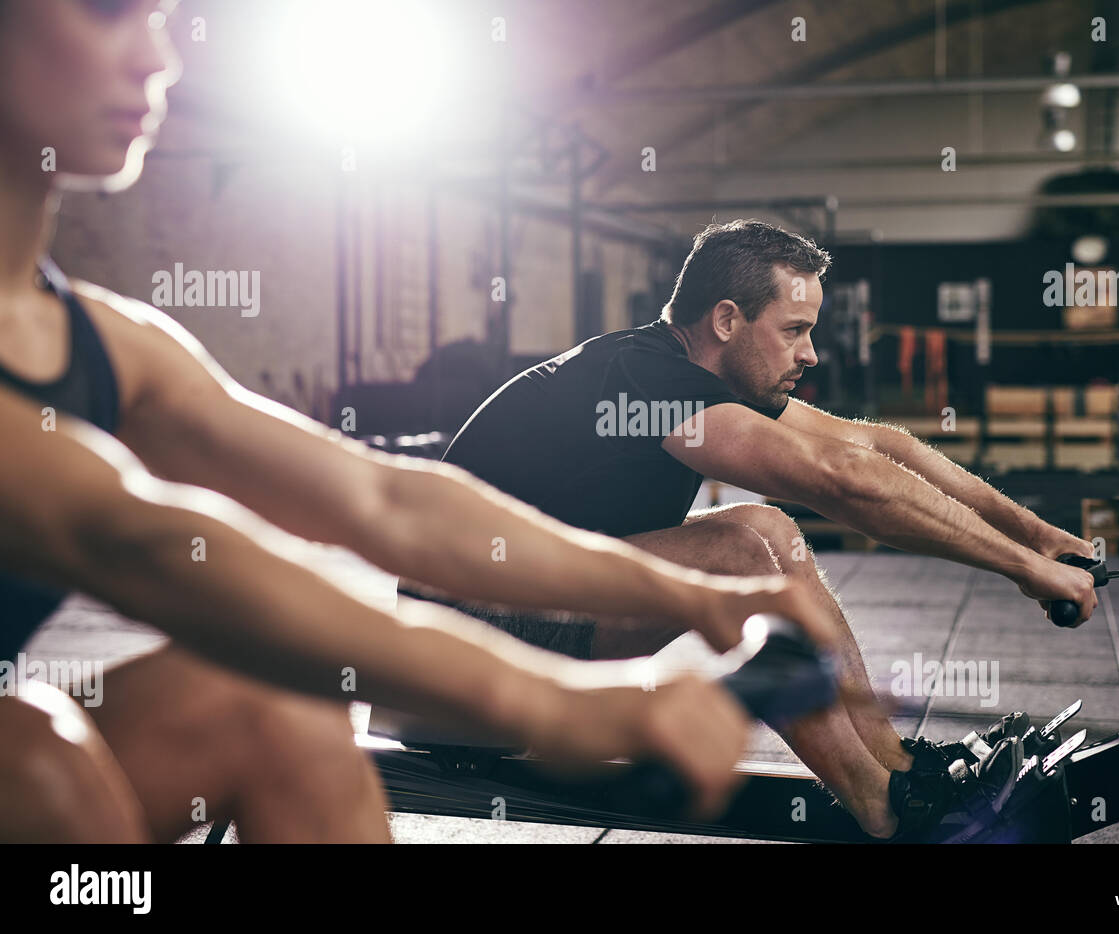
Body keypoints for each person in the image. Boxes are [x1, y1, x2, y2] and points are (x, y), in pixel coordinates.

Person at [0, 0, 831, 843]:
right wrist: (560, 703)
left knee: (284, 708)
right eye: (109, 11)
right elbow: (142, 545)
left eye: (162, 17)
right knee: (37, 756)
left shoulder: (106, 343)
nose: (160, 60)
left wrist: (690, 595)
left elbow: (383, 499)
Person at [439, 218, 1102, 840]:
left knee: (767, 529)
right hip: (465, 643)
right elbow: (841, 479)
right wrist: (1026, 571)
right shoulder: (641, 379)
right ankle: (884, 810)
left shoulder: (683, 370)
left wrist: (1033, 533)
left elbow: (879, 448)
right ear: (728, 319)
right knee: (737, 552)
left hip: (541, 597)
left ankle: (899, 771)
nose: (810, 354)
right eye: (794, 331)